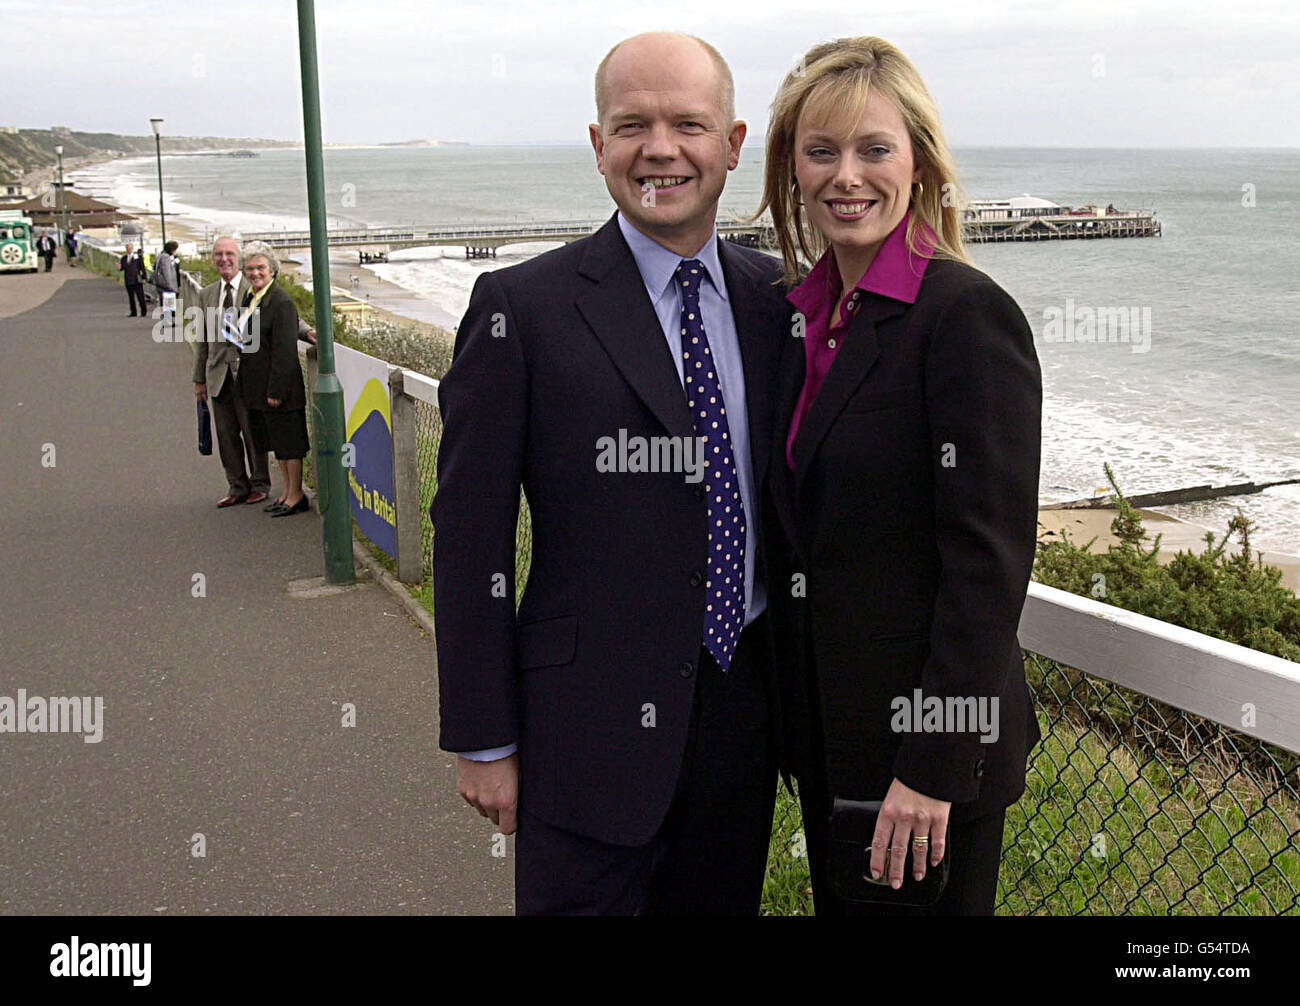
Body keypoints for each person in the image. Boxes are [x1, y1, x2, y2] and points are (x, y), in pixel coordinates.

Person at [432, 31, 791, 915]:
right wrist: (484, 737)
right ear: (598, 146)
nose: (660, 149)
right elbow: (469, 531)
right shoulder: (521, 309)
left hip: (741, 725)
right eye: (631, 125)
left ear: (734, 145)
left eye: (689, 124)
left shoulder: (780, 301)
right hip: (580, 742)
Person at [758, 36, 1042, 916]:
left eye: (874, 149)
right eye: (821, 151)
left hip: (924, 770)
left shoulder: (965, 317)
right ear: (791, 170)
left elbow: (987, 567)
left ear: (918, 164)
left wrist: (930, 766)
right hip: (830, 743)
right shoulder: (799, 317)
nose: (848, 175)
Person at [193, 236, 272, 507]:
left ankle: (260, 484)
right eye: (218, 254)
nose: (223, 259)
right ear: (212, 259)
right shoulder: (206, 295)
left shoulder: (253, 287)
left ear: (238, 258)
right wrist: (198, 379)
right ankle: (237, 486)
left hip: (247, 375)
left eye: (229, 254)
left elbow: (281, 314)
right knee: (226, 436)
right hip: (218, 377)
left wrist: (308, 332)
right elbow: (201, 341)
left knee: (252, 432)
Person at [233, 241, 311, 517]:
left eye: (261, 268)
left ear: (272, 270)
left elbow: (284, 351)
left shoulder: (281, 302)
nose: (255, 273)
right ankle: (286, 491)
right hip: (258, 385)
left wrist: (276, 389)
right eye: (250, 268)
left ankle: (296, 494)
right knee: (277, 444)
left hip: (280, 387)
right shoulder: (251, 297)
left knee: (291, 444)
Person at [118, 243, 148, 316]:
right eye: (128, 248)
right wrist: (119, 267)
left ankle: (143, 311)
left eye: (130, 248)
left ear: (133, 248)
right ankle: (133, 312)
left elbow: (142, 268)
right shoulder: (124, 258)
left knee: (140, 296)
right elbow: (122, 268)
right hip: (128, 280)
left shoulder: (138, 257)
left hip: (136, 279)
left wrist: (144, 277)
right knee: (131, 297)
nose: (129, 249)